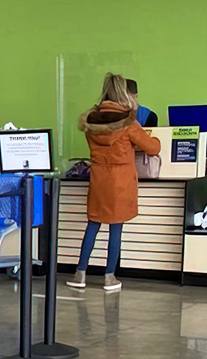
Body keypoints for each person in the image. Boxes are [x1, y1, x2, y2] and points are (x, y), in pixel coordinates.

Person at [67, 73, 161, 292]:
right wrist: (151, 139)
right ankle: (109, 277)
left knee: (93, 224)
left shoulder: (91, 121)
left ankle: (80, 274)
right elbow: (152, 148)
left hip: (98, 179)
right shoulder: (128, 122)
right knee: (116, 228)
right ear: (123, 93)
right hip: (120, 182)